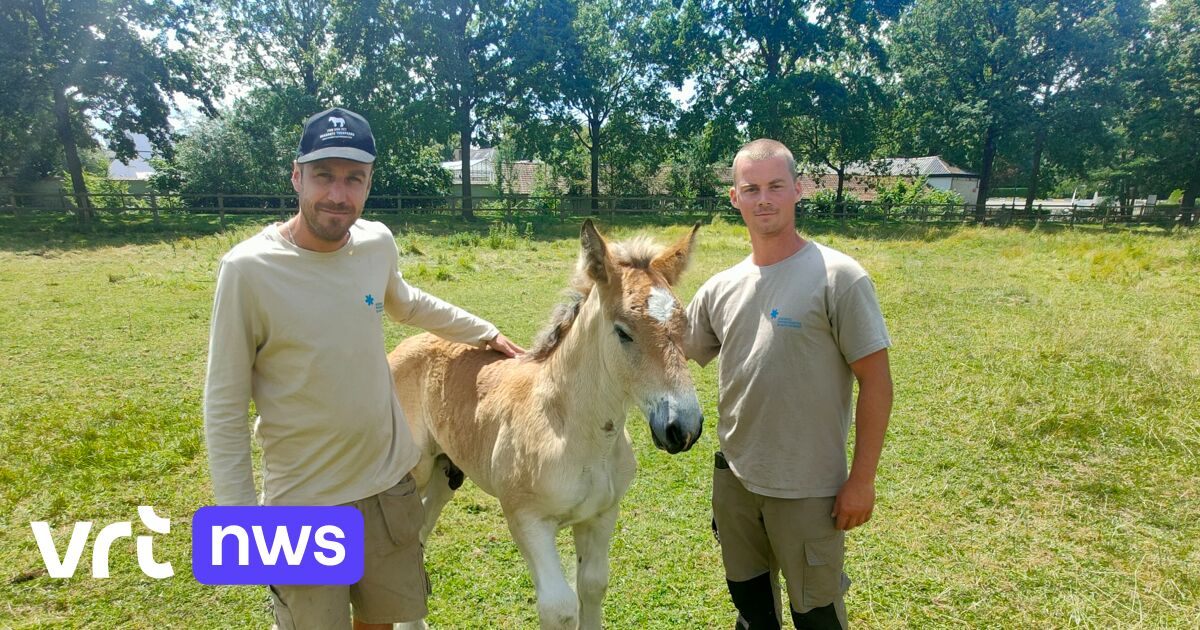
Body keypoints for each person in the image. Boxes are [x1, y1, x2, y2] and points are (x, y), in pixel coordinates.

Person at [203, 107, 523, 630]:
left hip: (387, 488)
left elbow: (407, 302)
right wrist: (240, 526)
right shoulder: (247, 271)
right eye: (324, 175)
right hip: (304, 504)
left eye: (354, 179)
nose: (338, 195)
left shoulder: (375, 243)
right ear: (296, 175)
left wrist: (483, 331)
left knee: (381, 623)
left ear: (369, 183)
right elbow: (223, 406)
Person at [684, 139, 893, 630]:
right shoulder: (720, 287)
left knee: (816, 614)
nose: (764, 199)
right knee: (751, 607)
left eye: (776, 186)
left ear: (799, 190)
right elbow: (673, 349)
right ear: (734, 198)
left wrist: (861, 481)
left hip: (806, 488)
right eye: (751, 188)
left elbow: (877, 384)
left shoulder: (839, 277)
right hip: (735, 480)